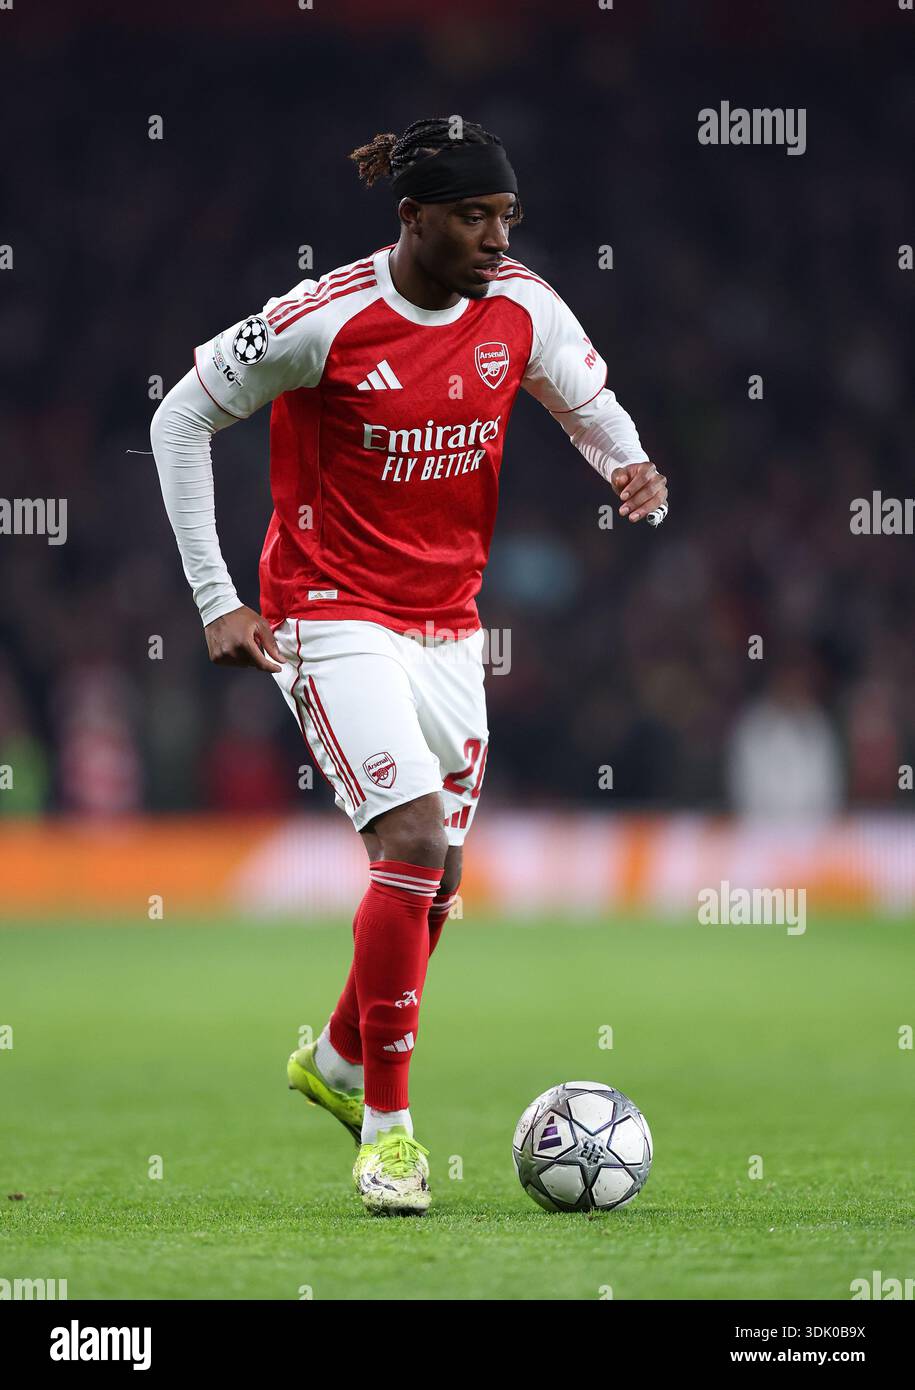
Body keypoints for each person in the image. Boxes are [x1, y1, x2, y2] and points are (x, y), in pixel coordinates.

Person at [150, 116, 668, 1214]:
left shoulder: (521, 304)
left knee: (442, 882)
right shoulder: (324, 318)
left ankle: (337, 1060)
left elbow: (582, 395)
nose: (494, 236)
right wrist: (217, 600)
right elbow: (180, 415)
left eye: (506, 217)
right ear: (413, 217)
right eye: (473, 217)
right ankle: (387, 1136)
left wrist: (627, 462)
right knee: (414, 840)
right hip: (329, 610)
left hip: (448, 618)